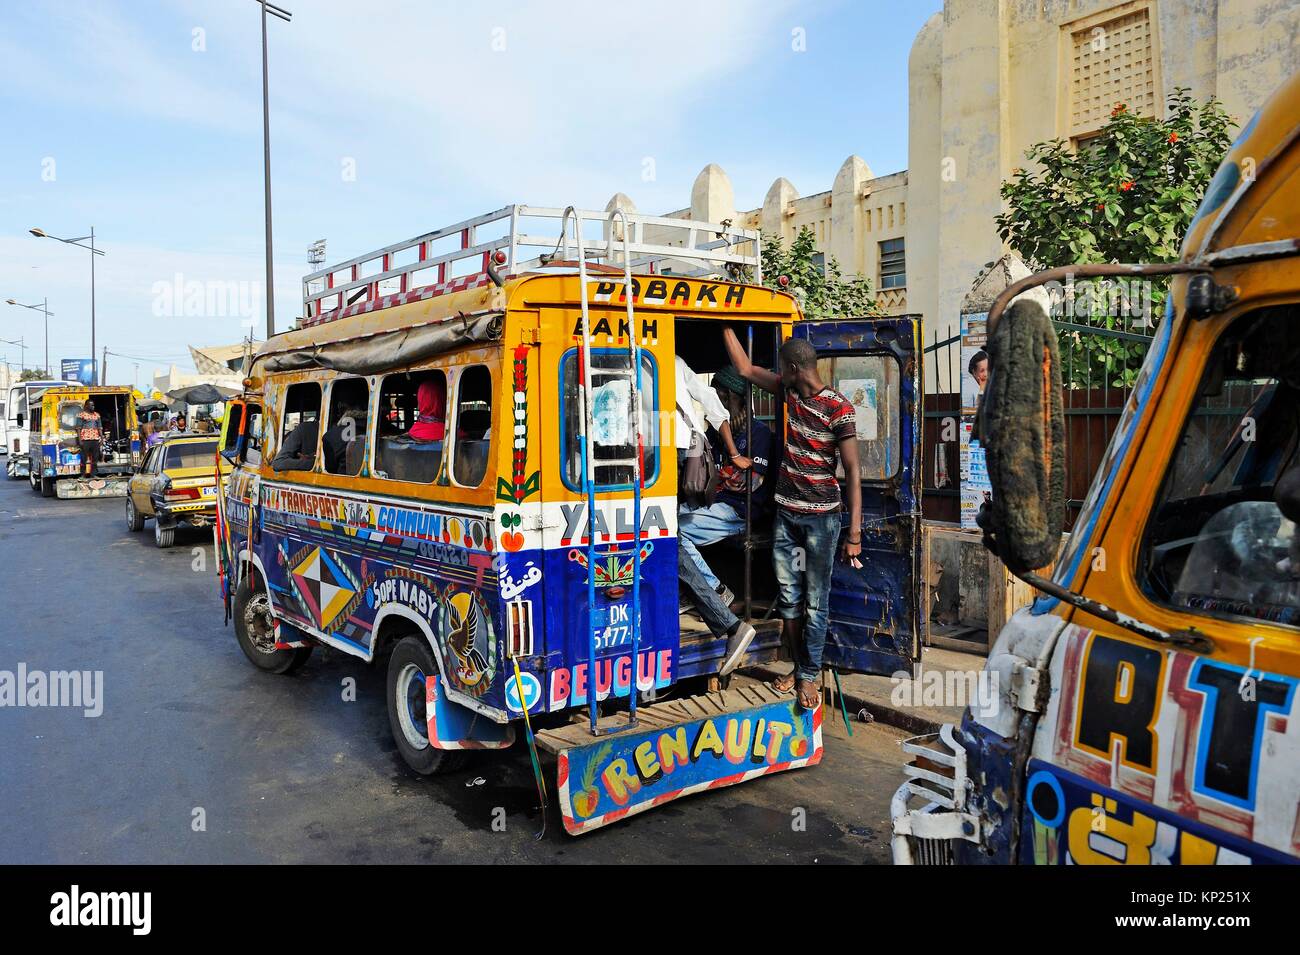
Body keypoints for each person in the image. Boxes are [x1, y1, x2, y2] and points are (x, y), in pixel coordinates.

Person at [723, 329, 862, 709]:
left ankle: (806, 675)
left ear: (795, 367)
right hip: (787, 516)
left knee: (816, 602)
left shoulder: (839, 408)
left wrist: (854, 533)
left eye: (783, 368)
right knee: (789, 598)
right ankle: (803, 670)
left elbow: (852, 471)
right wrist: (725, 324)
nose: (779, 374)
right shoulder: (791, 394)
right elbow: (746, 368)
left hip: (821, 520)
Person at [674, 355, 755, 676]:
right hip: (680, 455)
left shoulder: (754, 434)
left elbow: (746, 482)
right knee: (669, 532)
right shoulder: (675, 360)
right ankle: (713, 605)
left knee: (668, 532)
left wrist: (733, 453)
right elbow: (708, 400)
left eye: (726, 396)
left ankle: (720, 607)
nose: (720, 398)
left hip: (733, 506)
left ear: (737, 399)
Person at [678, 365, 775, 605]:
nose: (713, 404)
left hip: (738, 511)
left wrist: (716, 476)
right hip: (713, 502)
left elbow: (749, 483)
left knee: (674, 533)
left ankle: (713, 591)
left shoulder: (757, 433)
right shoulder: (716, 433)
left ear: (731, 398)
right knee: (661, 521)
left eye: (718, 396)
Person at [76, 399, 105, 478]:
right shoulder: (81, 415)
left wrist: (102, 439)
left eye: (93, 405)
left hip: (95, 440)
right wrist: (80, 440)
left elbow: (100, 428)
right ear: (86, 406)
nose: (93, 407)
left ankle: (94, 474)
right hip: (85, 440)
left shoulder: (97, 415)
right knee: (83, 458)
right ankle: (82, 474)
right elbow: (78, 428)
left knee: (95, 459)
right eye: (91, 405)